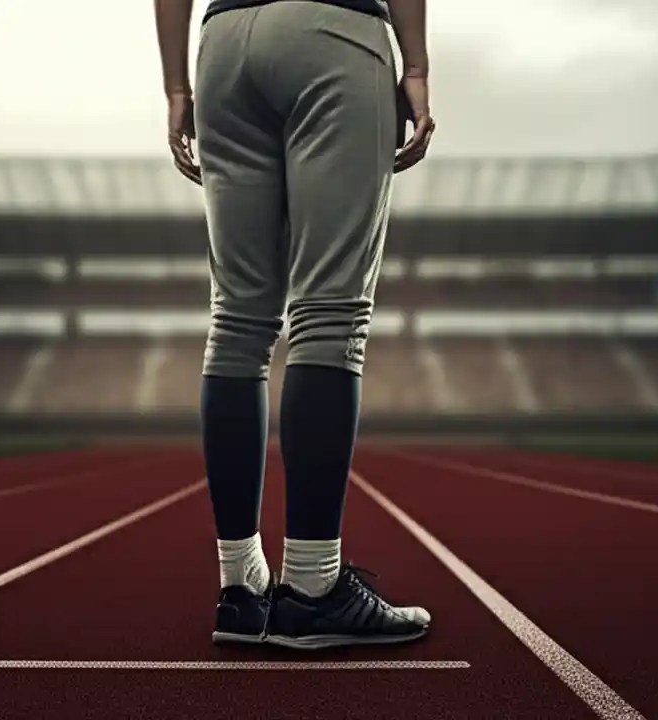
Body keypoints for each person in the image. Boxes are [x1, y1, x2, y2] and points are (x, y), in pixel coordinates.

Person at [154, 0, 435, 649]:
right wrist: (415, 66)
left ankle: (240, 584)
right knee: (329, 313)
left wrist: (176, 86)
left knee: (238, 321)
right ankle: (311, 584)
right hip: (333, 30)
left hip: (223, 43)